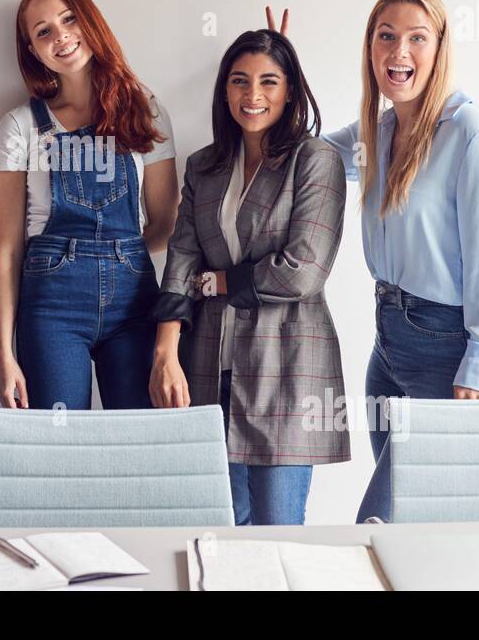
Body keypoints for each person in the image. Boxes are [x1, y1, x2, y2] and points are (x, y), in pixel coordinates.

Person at [266, 0, 479, 521]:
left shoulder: (469, 133)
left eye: (415, 38)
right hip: (389, 350)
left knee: (378, 526)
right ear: (371, 48)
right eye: (386, 37)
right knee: (414, 524)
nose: (398, 52)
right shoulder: (379, 131)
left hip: (449, 350)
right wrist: (277, 70)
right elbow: (303, 154)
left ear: (439, 48)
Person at [150, 29, 350, 525]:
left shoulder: (316, 160)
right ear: (224, 90)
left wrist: (217, 283)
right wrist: (165, 351)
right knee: (219, 525)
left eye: (269, 81)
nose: (253, 95)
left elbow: (304, 272)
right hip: (209, 360)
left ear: (290, 90)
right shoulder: (204, 166)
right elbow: (181, 257)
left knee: (279, 527)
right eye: (240, 81)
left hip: (286, 361)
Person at [0, 0, 177, 411]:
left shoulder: (145, 110)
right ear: (33, 51)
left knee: (136, 444)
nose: (60, 36)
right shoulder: (19, 126)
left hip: (133, 301)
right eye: (43, 32)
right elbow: (8, 246)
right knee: (59, 452)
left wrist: (114, 254)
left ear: (90, 21)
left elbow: (167, 224)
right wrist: (3, 355)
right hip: (51, 305)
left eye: (68, 18)